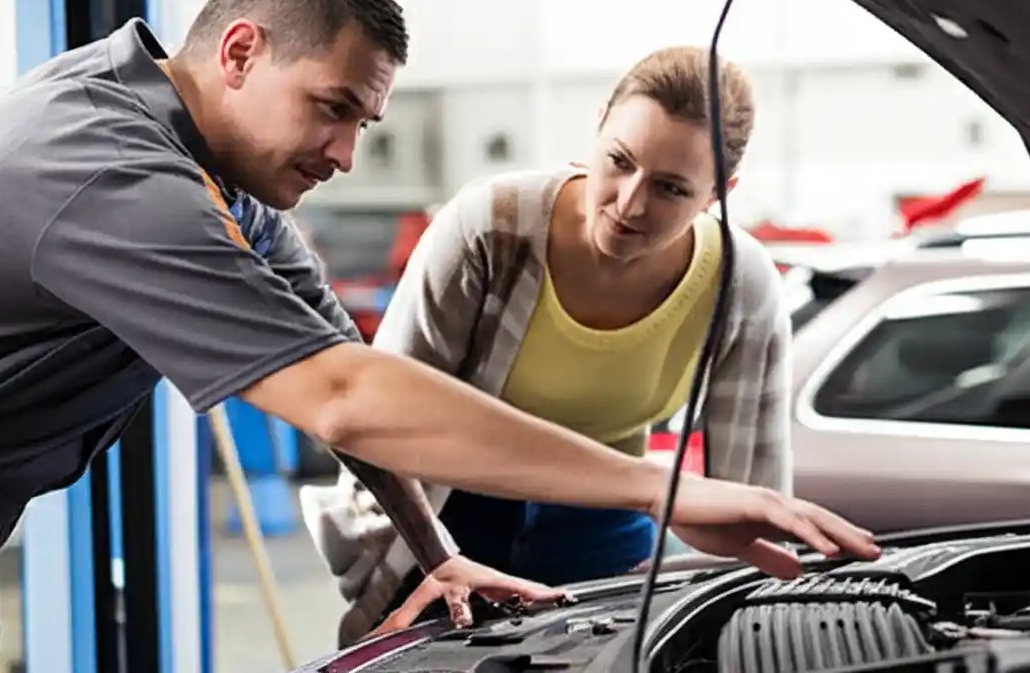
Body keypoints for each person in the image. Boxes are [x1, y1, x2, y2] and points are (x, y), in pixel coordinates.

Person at [0, 0, 877, 669]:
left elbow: (336, 359)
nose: (344, 155)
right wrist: (666, 492)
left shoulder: (219, 183)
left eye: (364, 121)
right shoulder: (102, 166)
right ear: (238, 51)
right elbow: (340, 399)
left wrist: (436, 555)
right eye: (332, 108)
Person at [304, 45, 801, 644]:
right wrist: (419, 558)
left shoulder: (740, 284)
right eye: (619, 160)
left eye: (670, 188)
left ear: (719, 193)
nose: (630, 202)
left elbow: (751, 502)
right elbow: (380, 418)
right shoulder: (491, 229)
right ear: (597, 125)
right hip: (449, 513)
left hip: (604, 526)